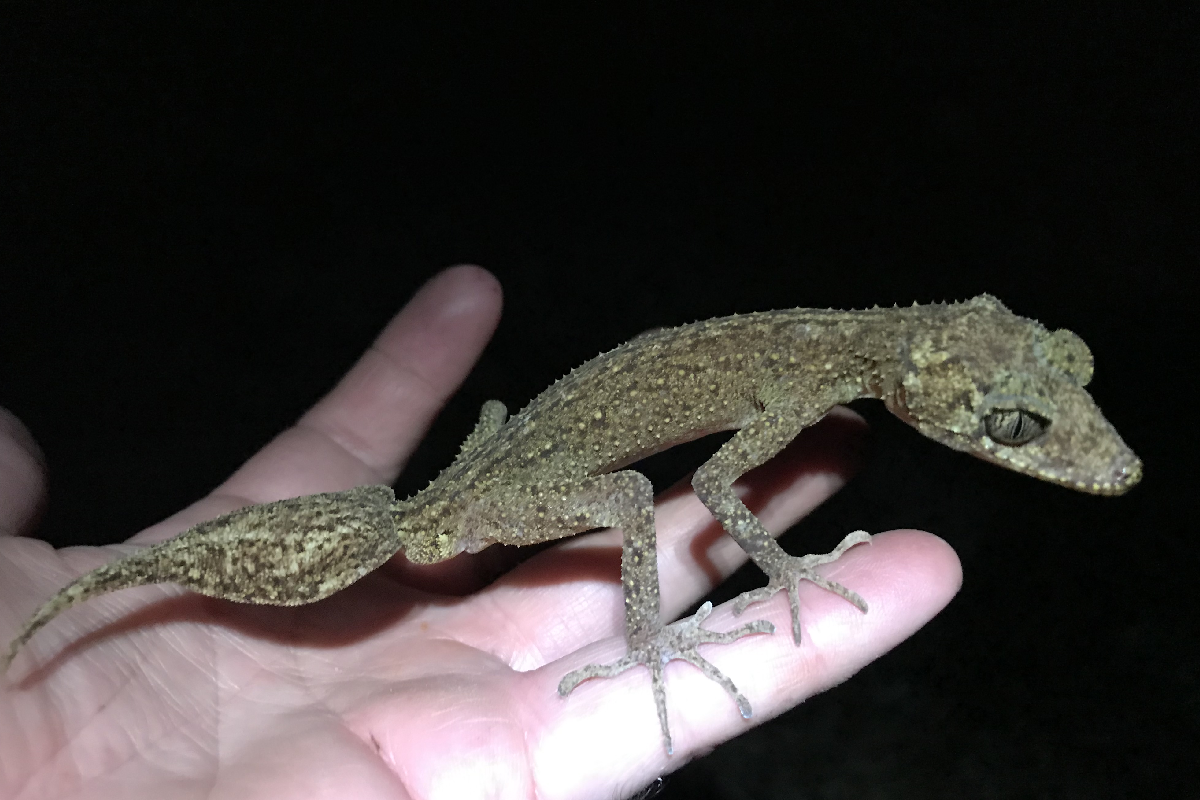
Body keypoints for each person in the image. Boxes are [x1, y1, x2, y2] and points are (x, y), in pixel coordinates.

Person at [0, 266, 960, 798]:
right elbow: (708, 478)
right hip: (483, 496)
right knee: (631, 495)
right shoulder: (811, 370)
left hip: (501, 467)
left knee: (544, 463)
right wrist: (777, 572)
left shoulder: (818, 349)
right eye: (1003, 422)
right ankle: (646, 645)